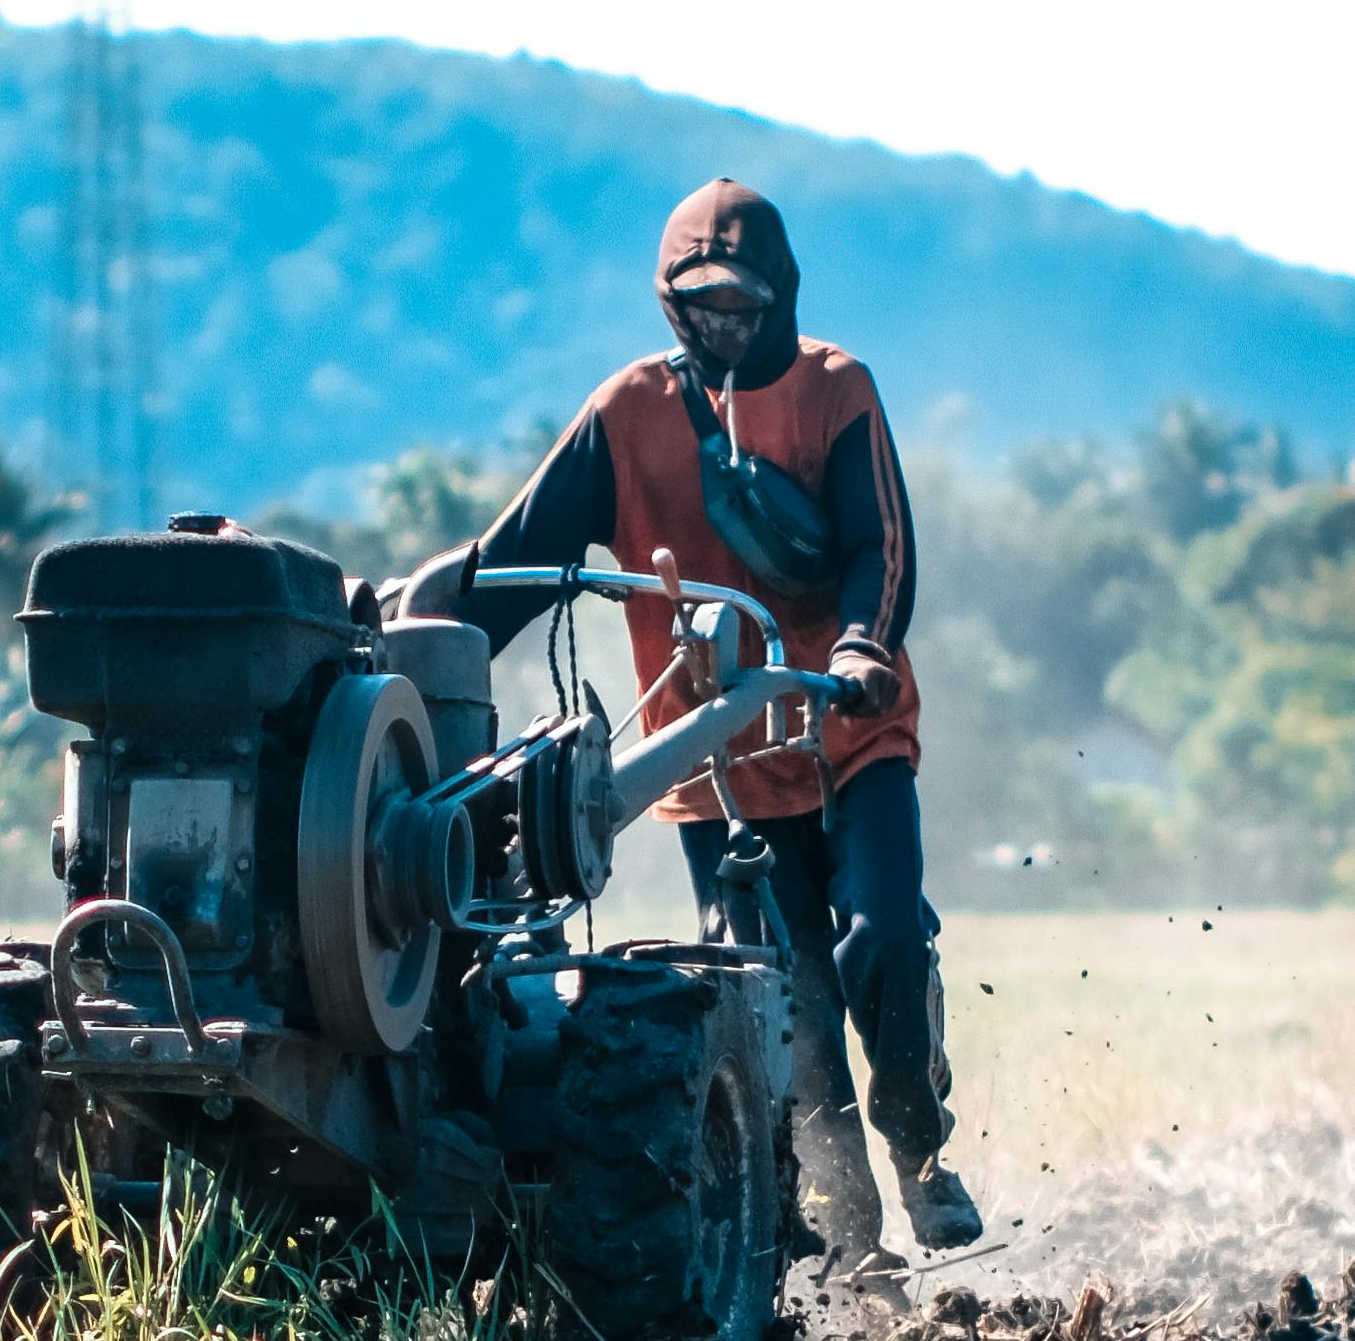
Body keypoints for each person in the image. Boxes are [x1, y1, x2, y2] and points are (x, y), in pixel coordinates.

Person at [393, 180, 982, 1269]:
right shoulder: (624, 414)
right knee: (778, 1006)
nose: (721, 320)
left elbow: (878, 547)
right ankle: (849, 1248)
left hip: (846, 729)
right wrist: (414, 631)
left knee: (881, 939)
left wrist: (857, 646)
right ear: (669, 302)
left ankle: (918, 1148)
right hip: (712, 757)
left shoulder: (833, 389)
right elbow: (514, 561)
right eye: (697, 301)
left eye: (740, 301)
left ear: (780, 297)